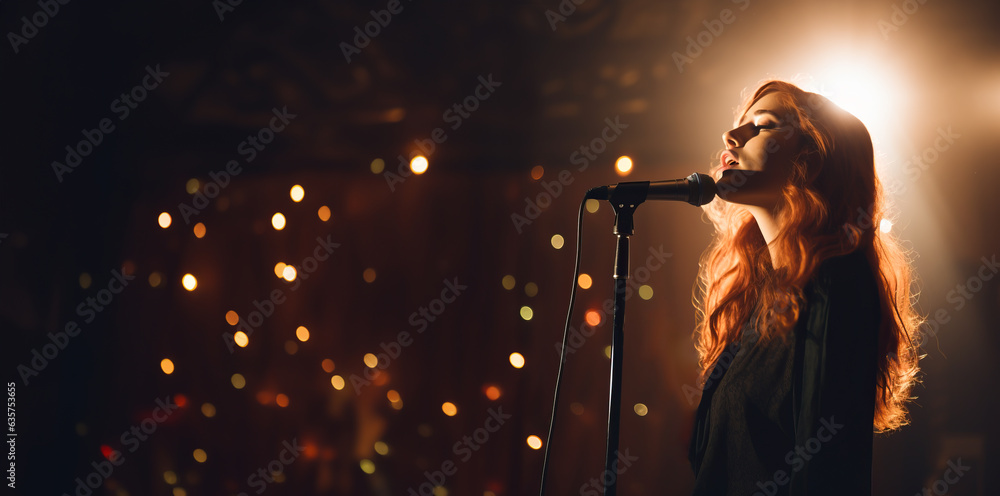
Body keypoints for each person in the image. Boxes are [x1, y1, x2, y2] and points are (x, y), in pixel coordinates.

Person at [687, 80, 923, 495]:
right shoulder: (754, 301)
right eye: (739, 124)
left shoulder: (837, 283)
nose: (731, 136)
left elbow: (825, 468)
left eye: (762, 126)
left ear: (810, 161)